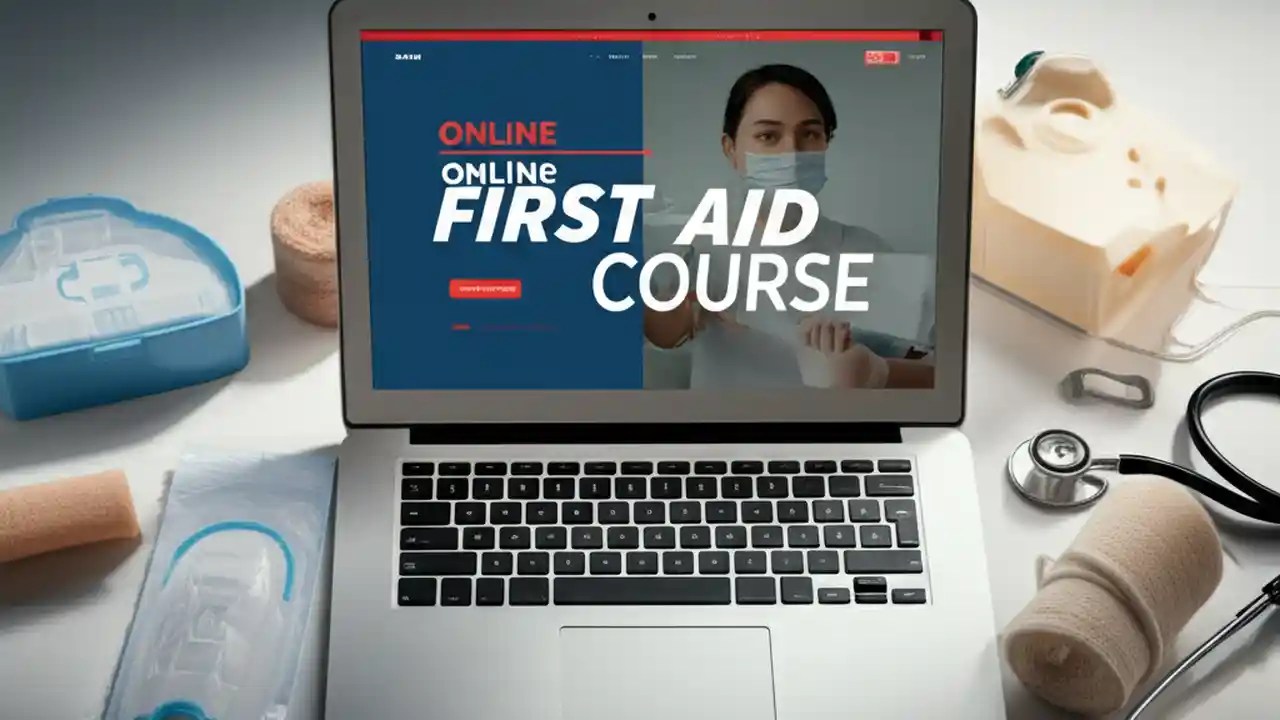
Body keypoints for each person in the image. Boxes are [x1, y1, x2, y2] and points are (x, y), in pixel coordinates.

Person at [642, 63, 936, 389]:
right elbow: (664, 336)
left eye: (809, 134)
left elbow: (934, 371)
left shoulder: (867, 253)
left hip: (830, 440)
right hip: (723, 437)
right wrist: (668, 310)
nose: (791, 152)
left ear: (826, 143)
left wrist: (875, 372)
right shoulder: (701, 246)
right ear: (731, 149)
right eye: (768, 136)